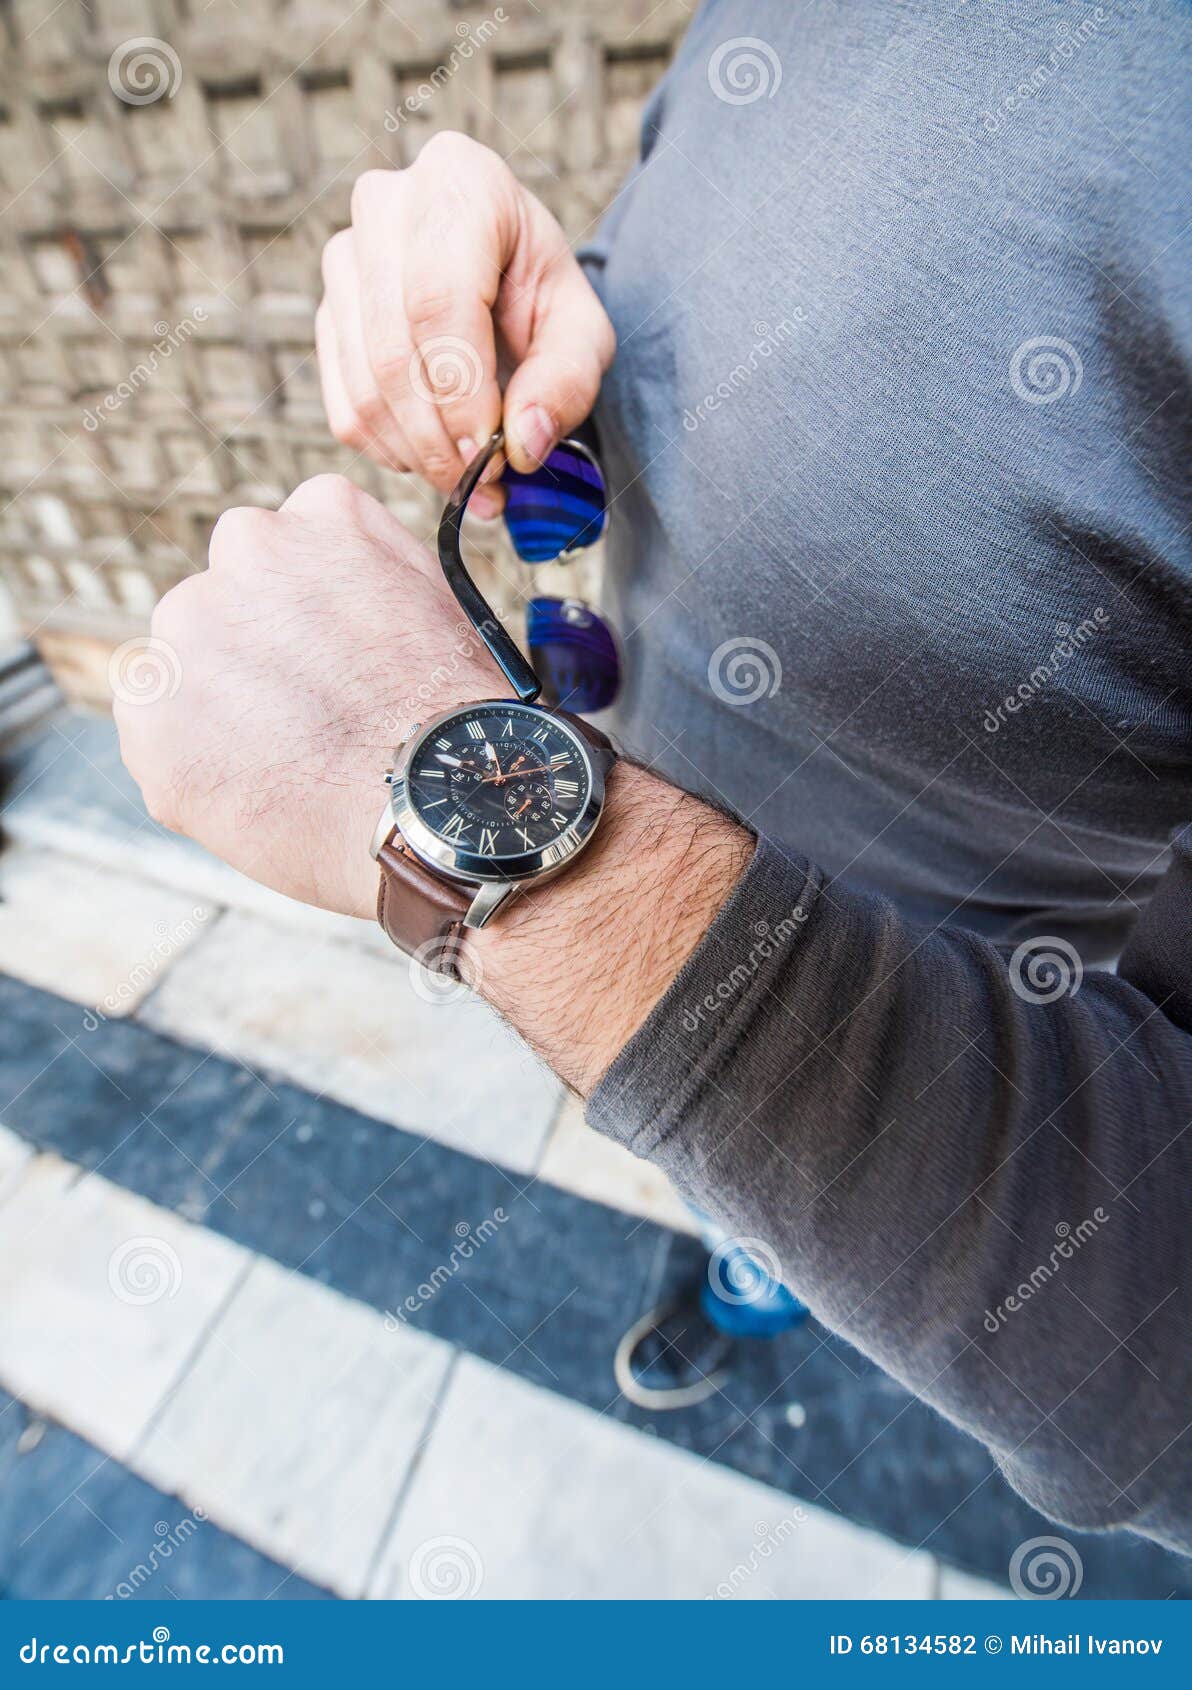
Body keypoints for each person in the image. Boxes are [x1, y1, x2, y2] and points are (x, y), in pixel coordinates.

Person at [115, 1, 1192, 1553]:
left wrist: (447, 791)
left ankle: (781, 1276)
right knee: (711, 1171)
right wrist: (542, 303)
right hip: (651, 924)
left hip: (903, 1060)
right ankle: (736, 1236)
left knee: (864, 1264)